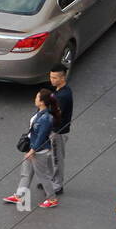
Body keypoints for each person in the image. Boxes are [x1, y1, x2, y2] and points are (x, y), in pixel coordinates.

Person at [3, 88, 59, 209]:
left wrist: (32, 151)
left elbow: (41, 137)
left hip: (39, 151)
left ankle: (52, 199)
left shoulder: (46, 119)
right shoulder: (39, 112)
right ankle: (20, 195)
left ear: (42, 102)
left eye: (37, 97)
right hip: (32, 149)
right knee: (26, 173)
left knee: (43, 177)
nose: (35, 99)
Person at [48, 64, 73, 194]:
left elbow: (56, 115)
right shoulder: (58, 90)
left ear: (63, 78)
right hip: (54, 131)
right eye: (51, 77)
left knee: (57, 159)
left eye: (55, 77)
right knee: (49, 157)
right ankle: (50, 180)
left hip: (58, 132)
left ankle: (57, 185)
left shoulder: (63, 96)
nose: (51, 80)